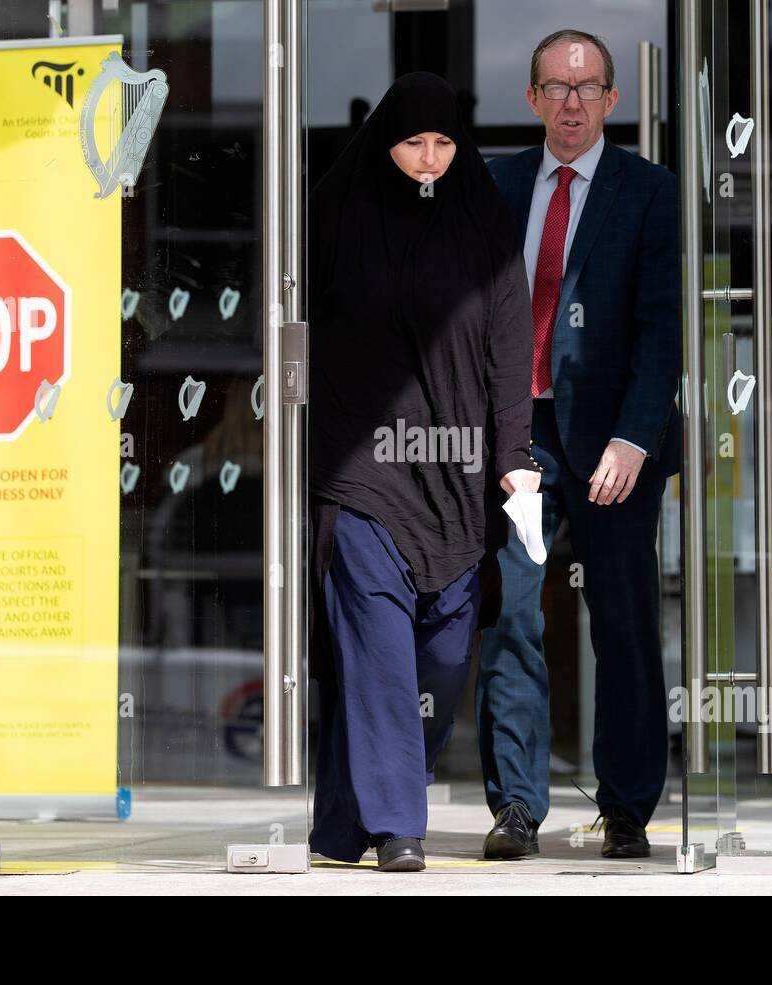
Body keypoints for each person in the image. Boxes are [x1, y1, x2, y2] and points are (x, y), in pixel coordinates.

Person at [307, 72, 537, 871]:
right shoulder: (335, 217)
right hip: (363, 471)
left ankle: (344, 818)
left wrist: (515, 460)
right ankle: (398, 825)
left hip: (457, 473)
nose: (430, 160)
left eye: (443, 144)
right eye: (413, 144)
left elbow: (511, 354)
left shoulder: (484, 222)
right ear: (386, 144)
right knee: (379, 654)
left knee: (440, 657)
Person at [477, 29, 681, 859]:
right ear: (530, 99)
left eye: (586, 86)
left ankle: (627, 806)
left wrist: (636, 437)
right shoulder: (497, 185)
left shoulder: (649, 190)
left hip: (613, 445)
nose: (571, 102)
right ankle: (517, 807)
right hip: (520, 436)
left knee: (623, 621)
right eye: (555, 88)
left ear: (611, 99)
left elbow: (663, 328)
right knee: (512, 613)